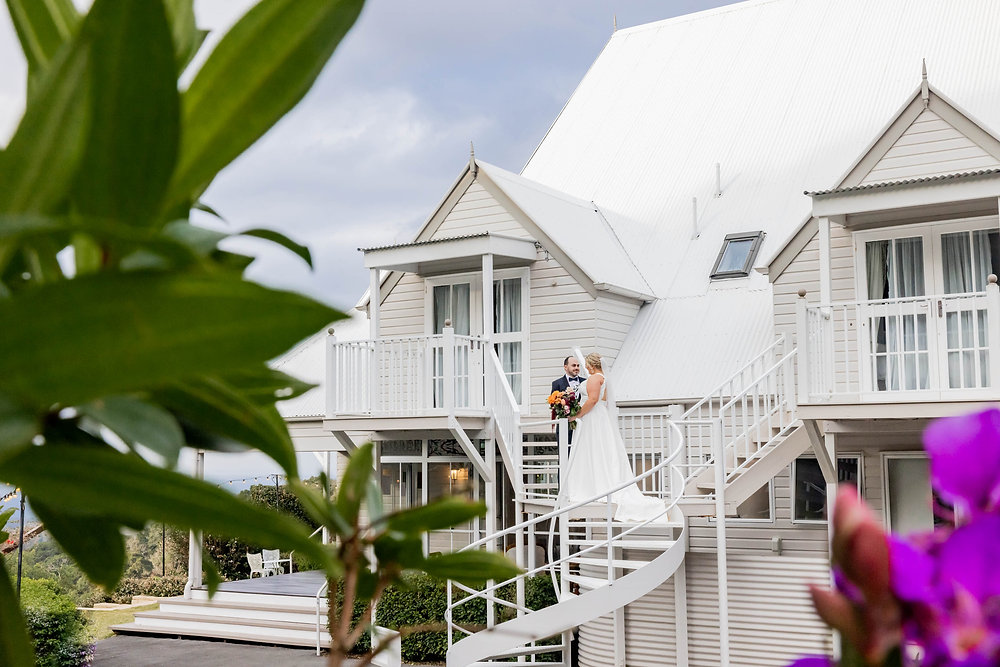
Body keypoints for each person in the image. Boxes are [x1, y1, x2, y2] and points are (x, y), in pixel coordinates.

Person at [563, 352, 665, 523]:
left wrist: (576, 415)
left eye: (586, 364)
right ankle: (593, 485)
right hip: (598, 417)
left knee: (593, 449)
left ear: (591, 364)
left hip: (593, 417)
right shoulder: (603, 377)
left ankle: (592, 488)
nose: (585, 368)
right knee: (598, 450)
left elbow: (593, 400)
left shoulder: (596, 378)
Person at [551, 356, 583, 444]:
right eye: (573, 365)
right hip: (565, 424)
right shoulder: (556, 383)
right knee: (565, 453)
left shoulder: (585, 382)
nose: (576, 368)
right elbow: (554, 404)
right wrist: (565, 410)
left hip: (582, 424)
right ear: (565, 367)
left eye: (578, 365)